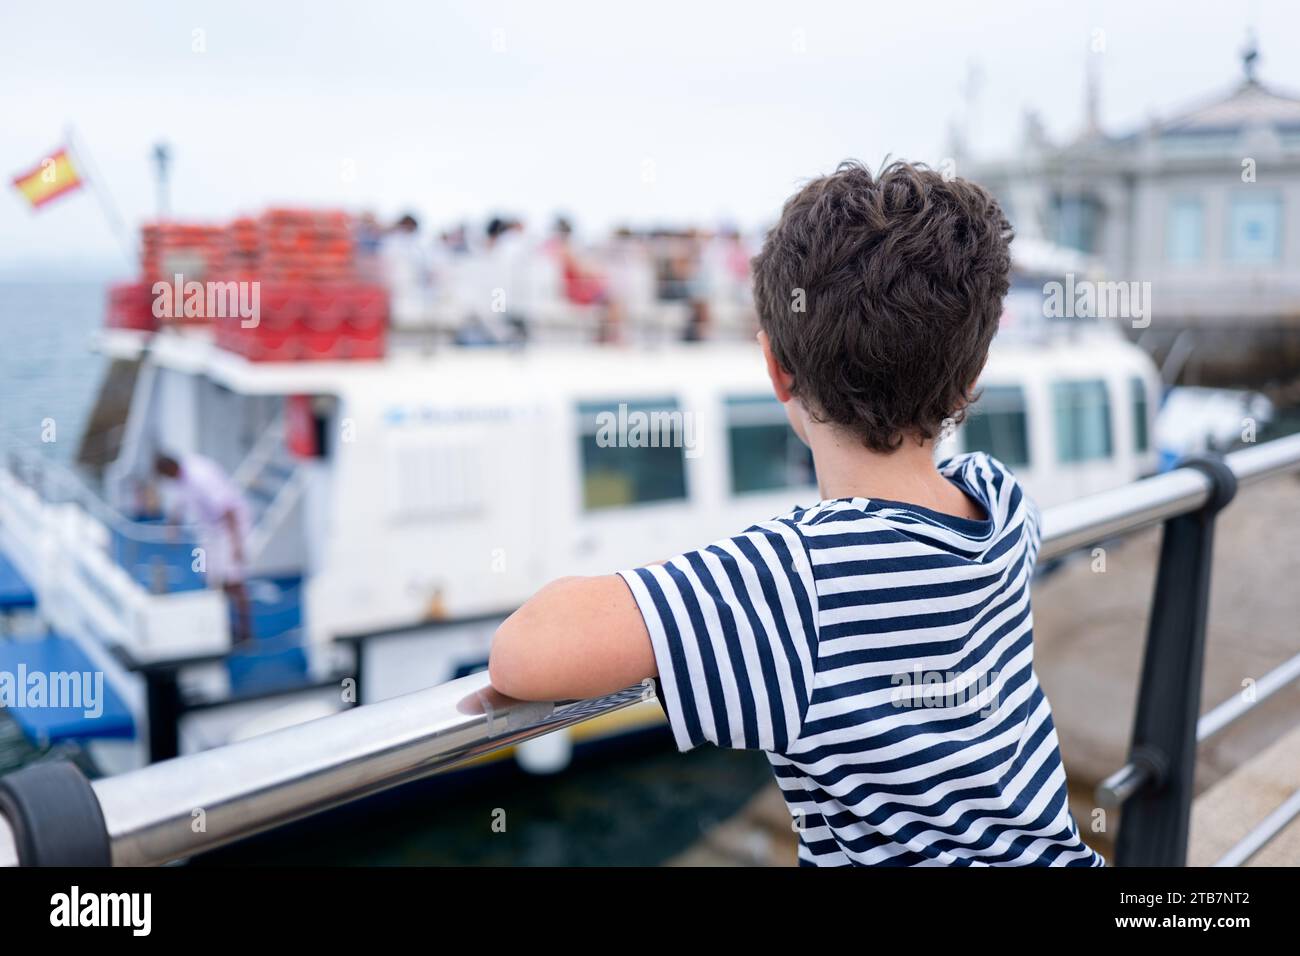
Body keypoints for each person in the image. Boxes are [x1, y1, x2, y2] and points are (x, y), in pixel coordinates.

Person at [489, 160, 1103, 867]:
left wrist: (702, 580)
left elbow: (525, 649)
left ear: (777, 368)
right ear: (972, 375)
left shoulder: (792, 583)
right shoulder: (999, 501)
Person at [155, 453, 254, 647]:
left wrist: (236, 546)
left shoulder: (201, 477)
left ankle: (246, 633)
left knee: (234, 581)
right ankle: (224, 628)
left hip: (229, 527)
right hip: (210, 529)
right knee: (211, 578)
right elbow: (180, 500)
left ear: (170, 470)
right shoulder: (181, 478)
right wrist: (172, 525)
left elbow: (229, 510)